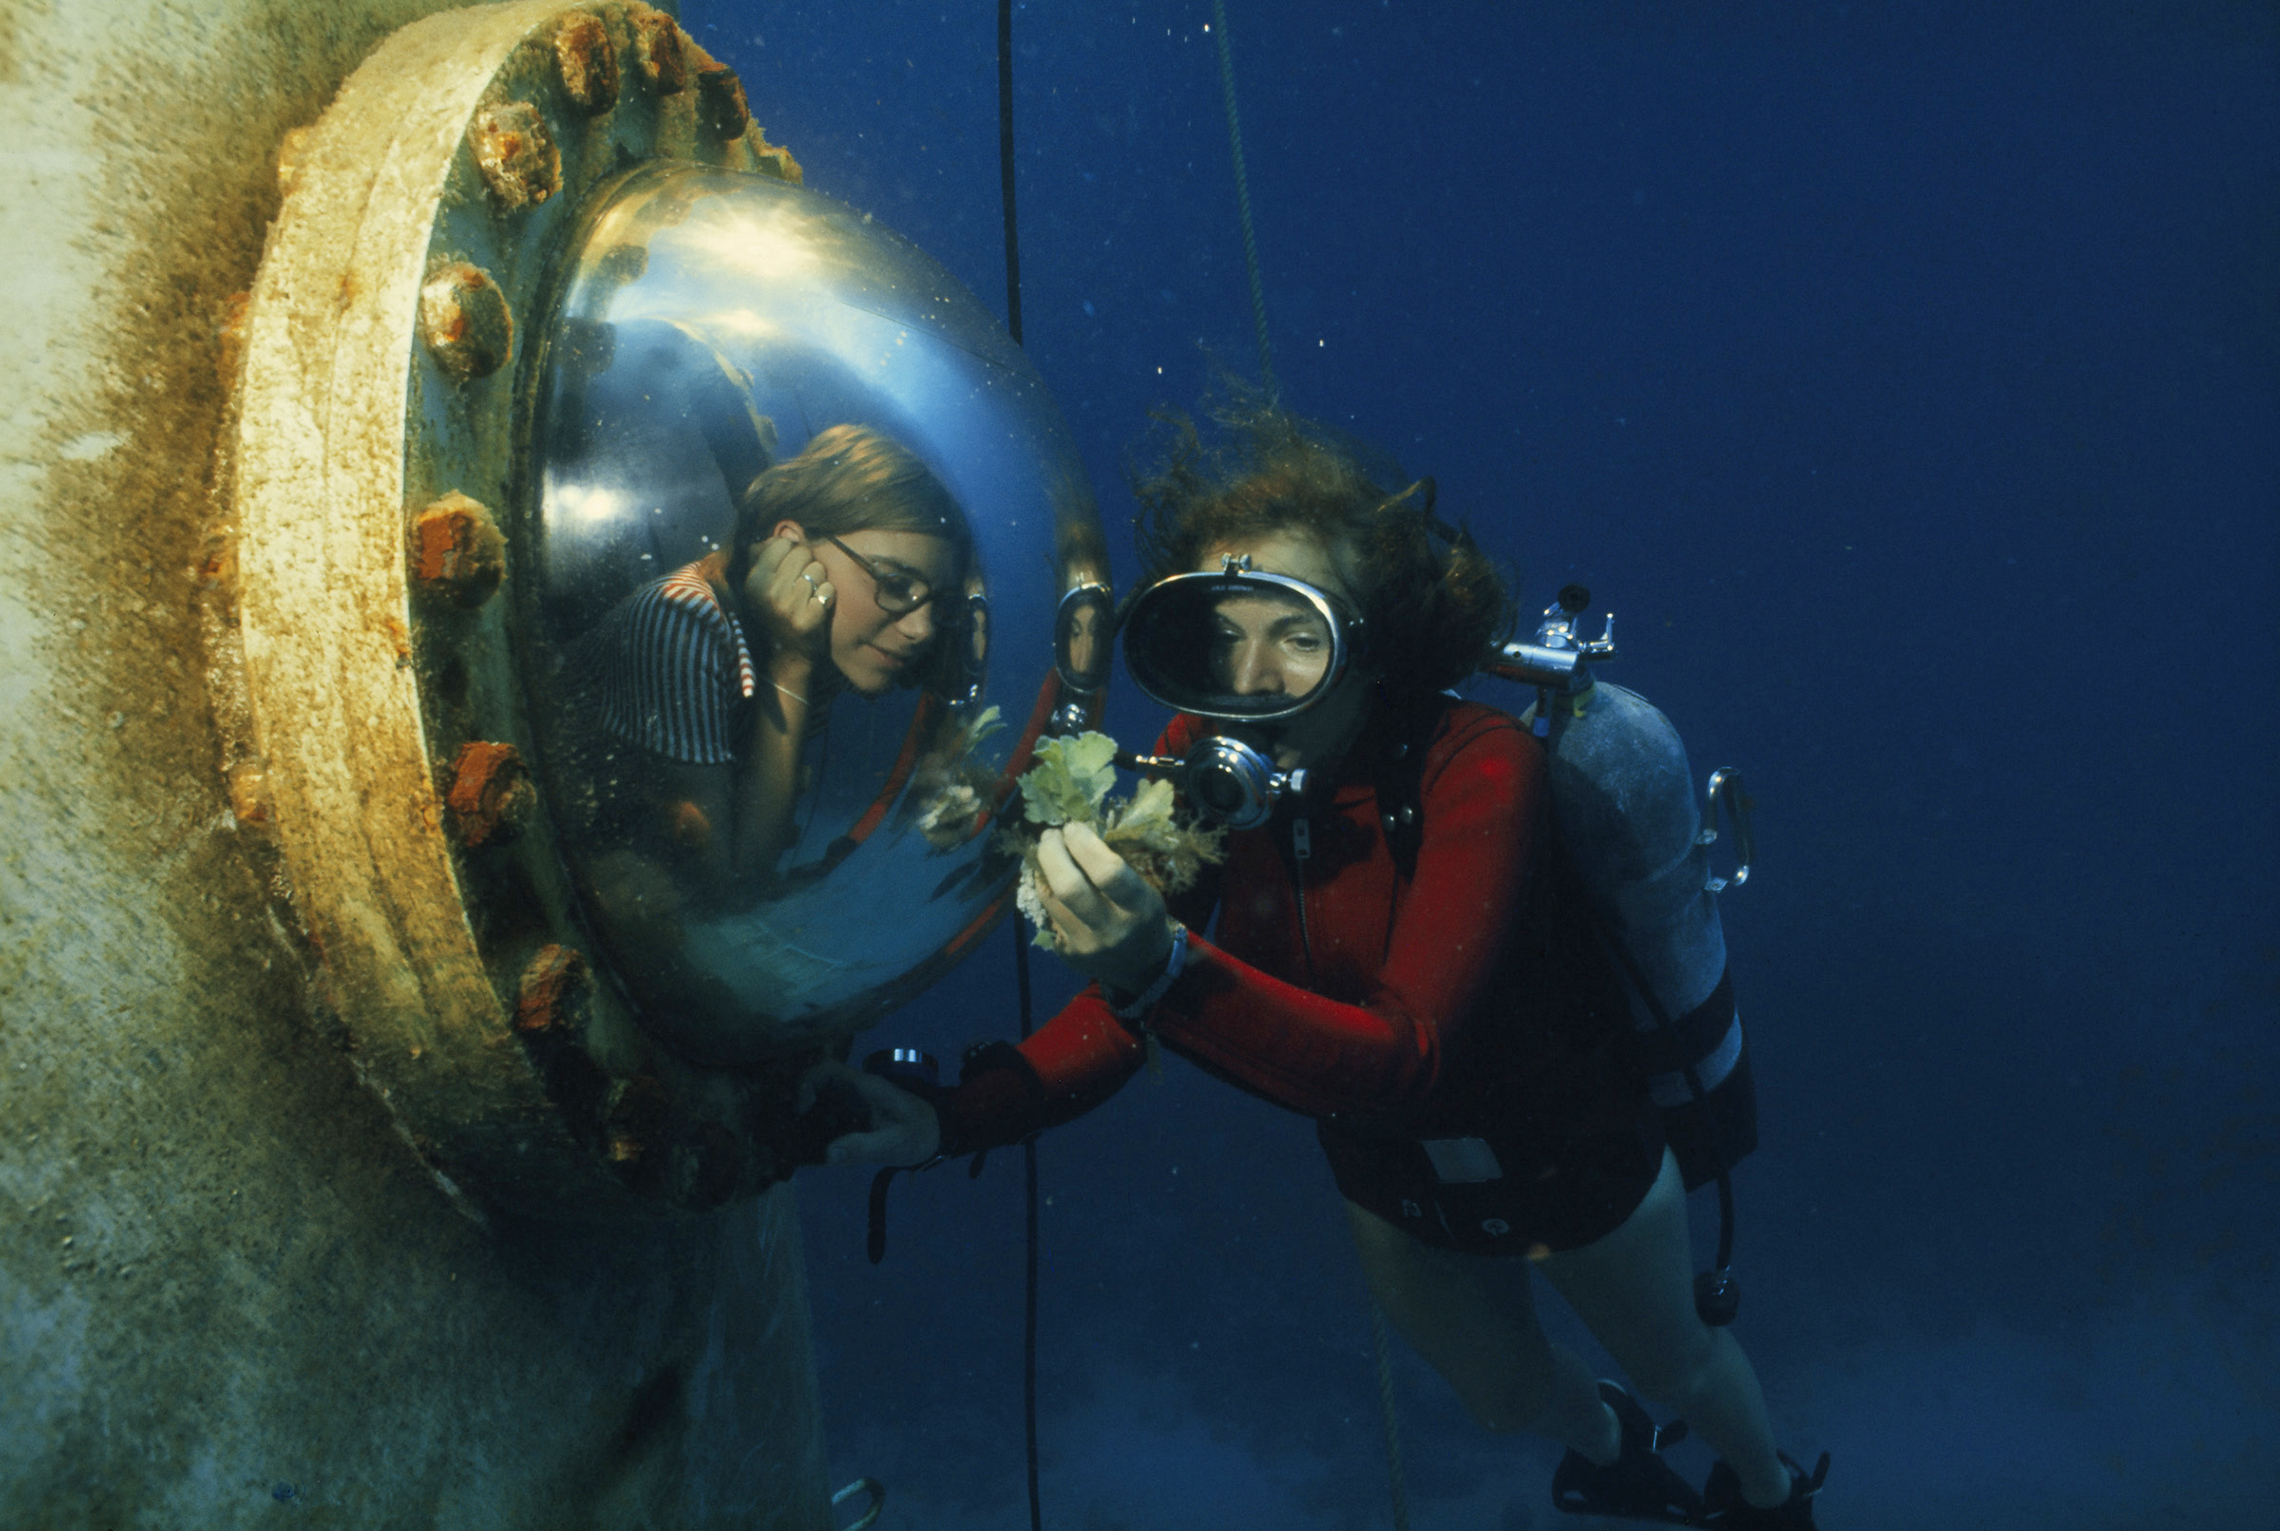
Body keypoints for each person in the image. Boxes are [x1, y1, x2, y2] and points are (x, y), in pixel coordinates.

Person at [804, 403, 1824, 1528]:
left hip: (1568, 1151)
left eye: (1295, 632)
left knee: (1679, 1360)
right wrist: (956, 1118)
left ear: (1370, 636)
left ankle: (1769, 1491)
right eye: (1220, 631)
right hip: (1388, 1166)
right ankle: (1607, 1443)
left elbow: (1411, 1054)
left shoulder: (1473, 765)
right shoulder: (1195, 756)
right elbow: (1127, 1013)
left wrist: (1162, 965)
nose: (1251, 672)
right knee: (1499, 1399)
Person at [577, 422, 971, 889]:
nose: (920, 629)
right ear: (791, 549)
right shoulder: (681, 620)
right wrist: (792, 663)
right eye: (894, 584)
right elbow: (726, 880)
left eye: (937, 605)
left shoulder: (822, 640)